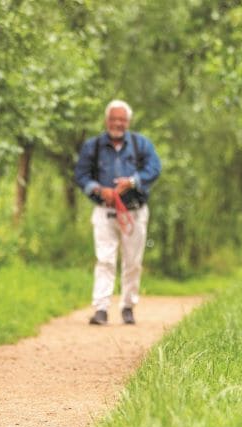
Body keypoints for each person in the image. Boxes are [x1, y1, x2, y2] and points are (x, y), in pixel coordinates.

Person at [74, 99, 162, 325]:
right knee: (104, 259)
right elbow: (81, 175)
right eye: (114, 119)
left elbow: (154, 168)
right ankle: (101, 309)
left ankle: (128, 306)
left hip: (135, 212)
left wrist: (132, 182)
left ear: (128, 121)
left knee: (133, 262)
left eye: (122, 119)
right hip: (104, 212)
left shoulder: (141, 144)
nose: (117, 123)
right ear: (106, 120)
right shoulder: (92, 147)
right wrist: (97, 189)